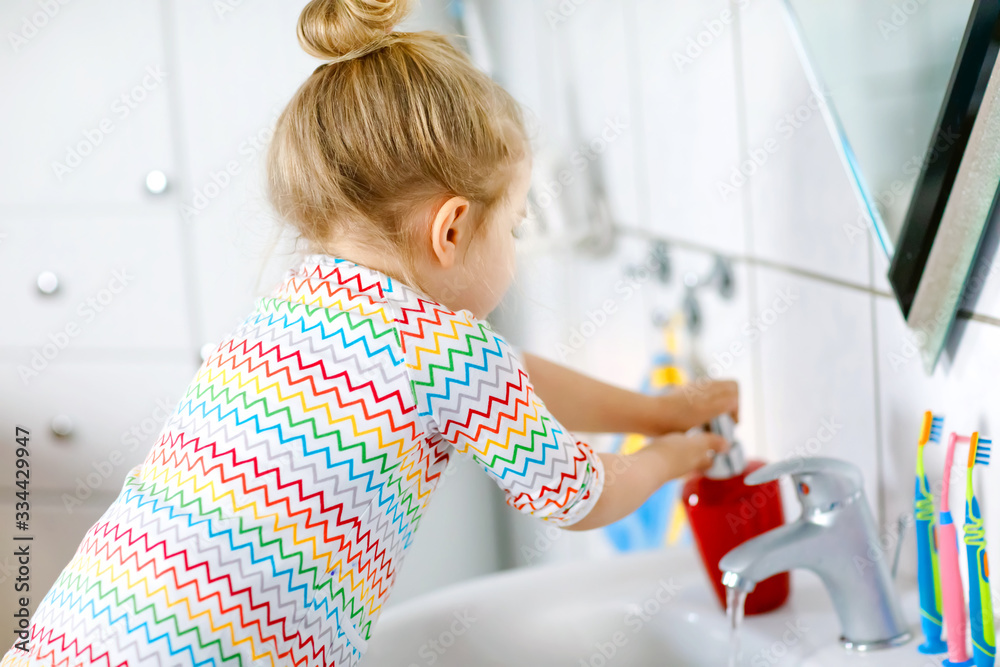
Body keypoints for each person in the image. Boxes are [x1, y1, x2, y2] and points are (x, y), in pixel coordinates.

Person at [1, 1, 736, 665]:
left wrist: (657, 409)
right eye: (511, 228)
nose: (511, 249)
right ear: (451, 229)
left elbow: (508, 380)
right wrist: (675, 454)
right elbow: (579, 496)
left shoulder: (294, 311)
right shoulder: (447, 354)